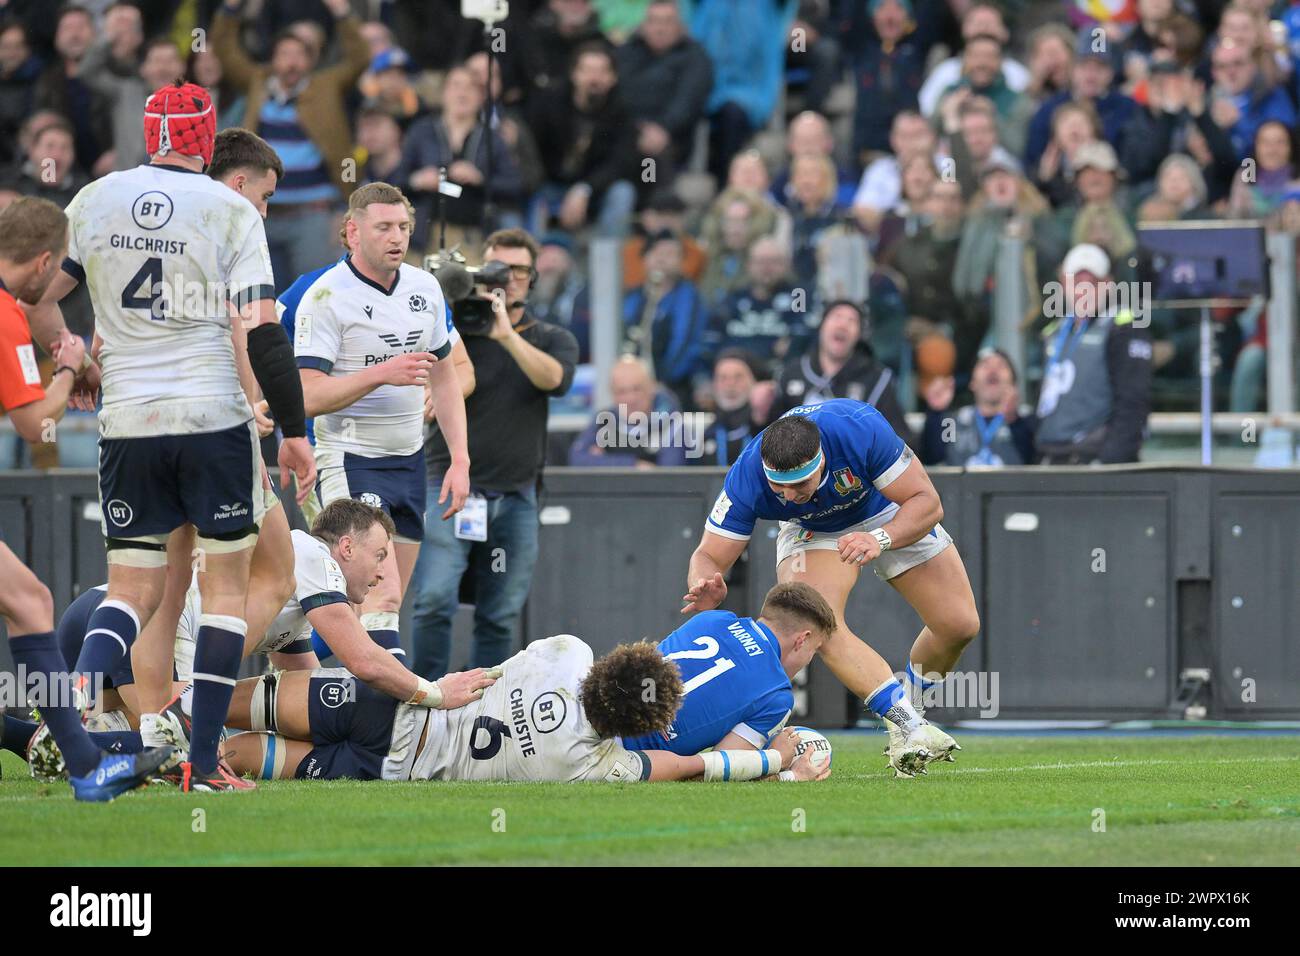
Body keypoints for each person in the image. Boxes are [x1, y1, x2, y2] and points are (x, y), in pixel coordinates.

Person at [20, 81, 315, 793]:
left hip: (127, 425)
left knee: (130, 592)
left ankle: (81, 720)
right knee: (221, 594)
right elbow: (267, 337)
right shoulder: (230, 211)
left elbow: (33, 296)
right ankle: (202, 761)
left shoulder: (94, 198)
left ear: (149, 133)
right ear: (207, 139)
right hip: (212, 421)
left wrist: (76, 358)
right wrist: (296, 431)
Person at [682, 398, 981, 776]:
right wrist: (703, 582)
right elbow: (707, 555)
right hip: (811, 527)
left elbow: (927, 502)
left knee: (959, 625)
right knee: (816, 622)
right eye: (779, 487)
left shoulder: (859, 429)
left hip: (885, 508)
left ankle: (911, 710)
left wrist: (882, 539)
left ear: (821, 459)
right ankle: (909, 726)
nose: (789, 495)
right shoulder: (747, 475)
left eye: (800, 483)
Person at [0, 197, 175, 799]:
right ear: (45, 260)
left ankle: (81, 764)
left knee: (30, 600)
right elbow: (32, 422)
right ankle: (78, 761)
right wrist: (69, 367)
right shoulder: (4, 316)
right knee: (29, 601)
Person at [218, 634, 822, 783]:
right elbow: (691, 767)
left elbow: (512, 666)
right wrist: (774, 760)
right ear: (645, 727)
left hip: (397, 708)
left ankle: (153, 715)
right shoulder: (594, 766)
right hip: (392, 770)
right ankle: (172, 758)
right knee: (237, 757)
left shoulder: (569, 653)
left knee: (229, 701)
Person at [293, 182, 469, 667]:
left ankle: (283, 654)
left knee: (363, 604)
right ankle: (391, 728)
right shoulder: (326, 296)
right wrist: (383, 373)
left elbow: (445, 375)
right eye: (384, 227)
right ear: (352, 231)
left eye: (405, 227)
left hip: (409, 463)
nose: (397, 237)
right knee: (383, 599)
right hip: (350, 461)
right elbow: (307, 395)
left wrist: (459, 460)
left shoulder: (424, 287)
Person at [410, 228, 578, 680]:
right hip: (447, 481)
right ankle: (422, 696)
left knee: (500, 612)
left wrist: (505, 334)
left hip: (516, 494)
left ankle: (480, 704)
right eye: (494, 269)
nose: (506, 279)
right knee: (433, 599)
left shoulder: (549, 336)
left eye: (517, 270)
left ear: (532, 277)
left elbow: (555, 380)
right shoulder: (450, 331)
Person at [213, 0, 370, 290]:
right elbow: (224, 51)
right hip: (260, 214)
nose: (292, 62)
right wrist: (231, 9)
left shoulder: (326, 86)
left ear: (311, 61)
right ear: (272, 59)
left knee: (314, 295)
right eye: (285, 54)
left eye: (300, 55)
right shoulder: (257, 83)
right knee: (263, 298)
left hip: (313, 214)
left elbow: (360, 58)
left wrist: (342, 13)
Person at [624, 582, 832, 759]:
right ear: (802, 639)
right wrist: (780, 765)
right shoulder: (778, 697)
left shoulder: (711, 618)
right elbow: (722, 766)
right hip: (622, 757)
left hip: (598, 707)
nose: (809, 659)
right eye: (814, 650)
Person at [1034, 244, 1152, 465]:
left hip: (1092, 457)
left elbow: (1132, 403)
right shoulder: (1054, 332)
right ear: (1062, 283)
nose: (1083, 291)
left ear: (1108, 285)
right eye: (1076, 282)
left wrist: (1110, 461)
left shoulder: (1123, 328)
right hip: (1052, 455)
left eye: (1093, 283)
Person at [526, 43, 638, 237]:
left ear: (613, 78)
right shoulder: (549, 102)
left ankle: (607, 262)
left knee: (623, 192)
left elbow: (621, 162)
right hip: (549, 185)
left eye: (602, 72)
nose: (594, 79)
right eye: (587, 71)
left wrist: (585, 189)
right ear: (574, 74)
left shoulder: (624, 111)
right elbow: (530, 150)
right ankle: (531, 260)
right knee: (533, 196)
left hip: (595, 189)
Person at [770, 300, 913, 445]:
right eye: (836, 317)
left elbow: (900, 440)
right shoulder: (791, 372)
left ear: (859, 335)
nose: (843, 325)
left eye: (852, 321)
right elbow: (768, 438)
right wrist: (759, 415)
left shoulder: (878, 379)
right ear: (821, 327)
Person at [920, 348, 1035, 467]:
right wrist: (935, 412)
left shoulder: (1026, 420)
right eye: (985, 365)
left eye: (1001, 366)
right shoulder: (952, 422)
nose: (993, 370)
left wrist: (1014, 421)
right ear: (972, 383)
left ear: (1013, 383)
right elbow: (931, 458)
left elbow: (1032, 458)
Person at [569, 356, 687, 467]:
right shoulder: (605, 419)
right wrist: (633, 465)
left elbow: (668, 475)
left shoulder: (671, 421)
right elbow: (577, 459)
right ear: (612, 394)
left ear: (652, 387)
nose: (630, 399)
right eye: (622, 391)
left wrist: (605, 459)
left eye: (637, 389)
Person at [694, 348, 766, 466]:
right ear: (714, 385)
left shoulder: (768, 432)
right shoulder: (705, 436)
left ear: (755, 382)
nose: (730, 385)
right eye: (723, 378)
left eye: (738, 377)